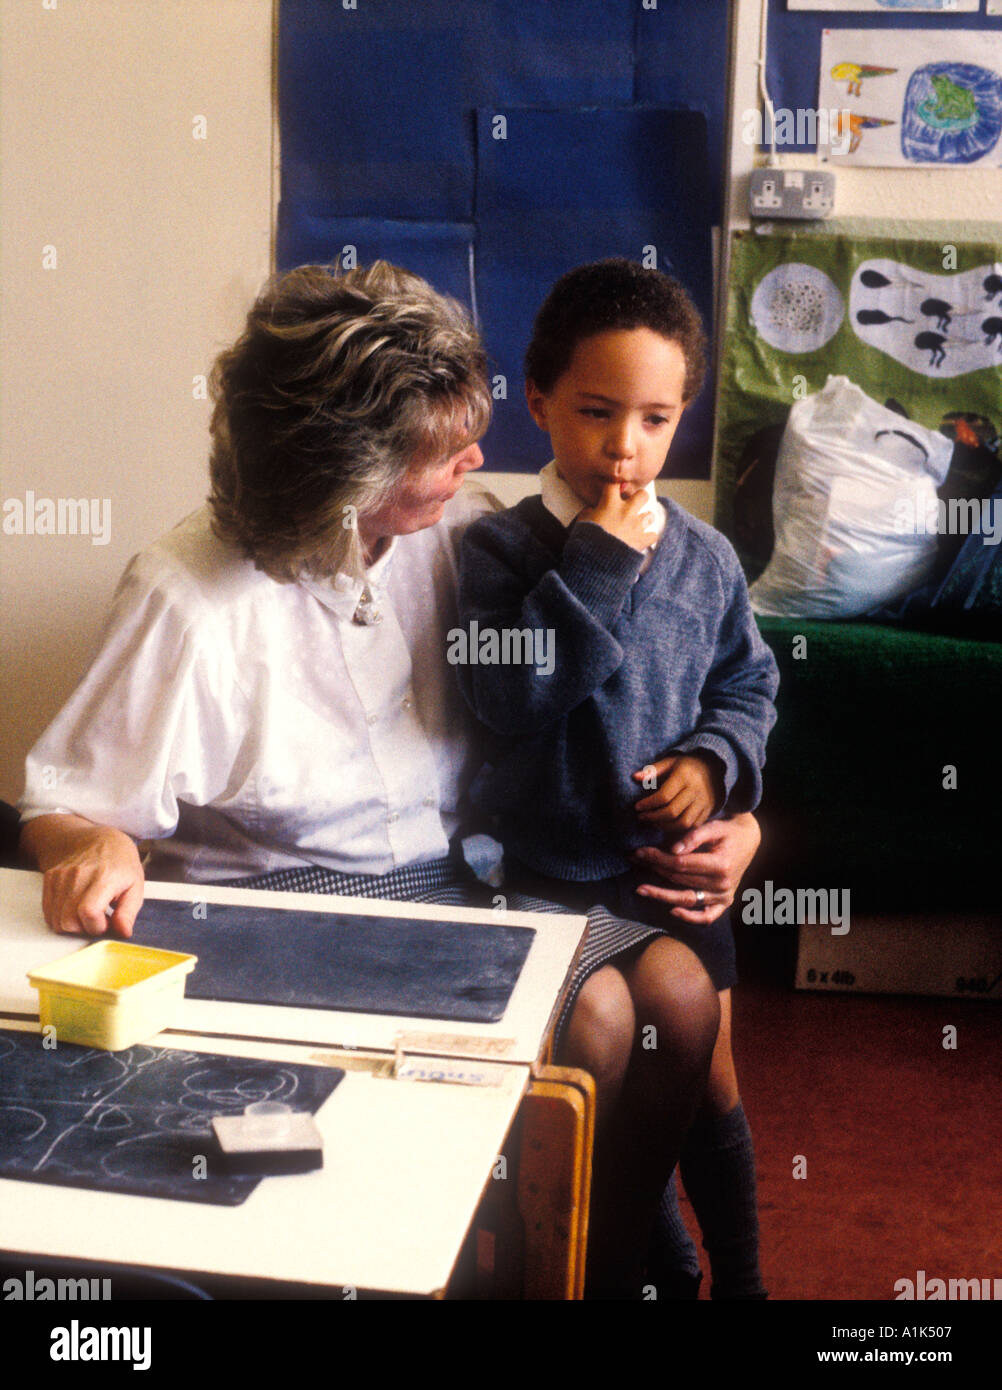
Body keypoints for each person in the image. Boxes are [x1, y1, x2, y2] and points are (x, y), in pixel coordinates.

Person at [18, 260, 763, 1298]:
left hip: (463, 883)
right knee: (595, 1022)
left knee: (677, 998)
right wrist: (86, 837)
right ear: (343, 471)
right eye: (441, 449)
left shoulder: (461, 530)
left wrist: (737, 812)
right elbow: (66, 800)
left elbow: (624, 689)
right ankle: (528, 1261)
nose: (475, 456)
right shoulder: (190, 596)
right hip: (281, 906)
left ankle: (606, 1259)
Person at [454, 258, 779, 1299]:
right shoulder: (498, 549)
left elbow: (748, 681)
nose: (625, 446)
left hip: (665, 873)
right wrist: (594, 561)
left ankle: (720, 1272)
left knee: (690, 1023)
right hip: (547, 870)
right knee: (608, 1043)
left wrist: (713, 760)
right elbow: (510, 697)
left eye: (655, 418)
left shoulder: (708, 556)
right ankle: (615, 1261)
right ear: (540, 403)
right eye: (597, 413)